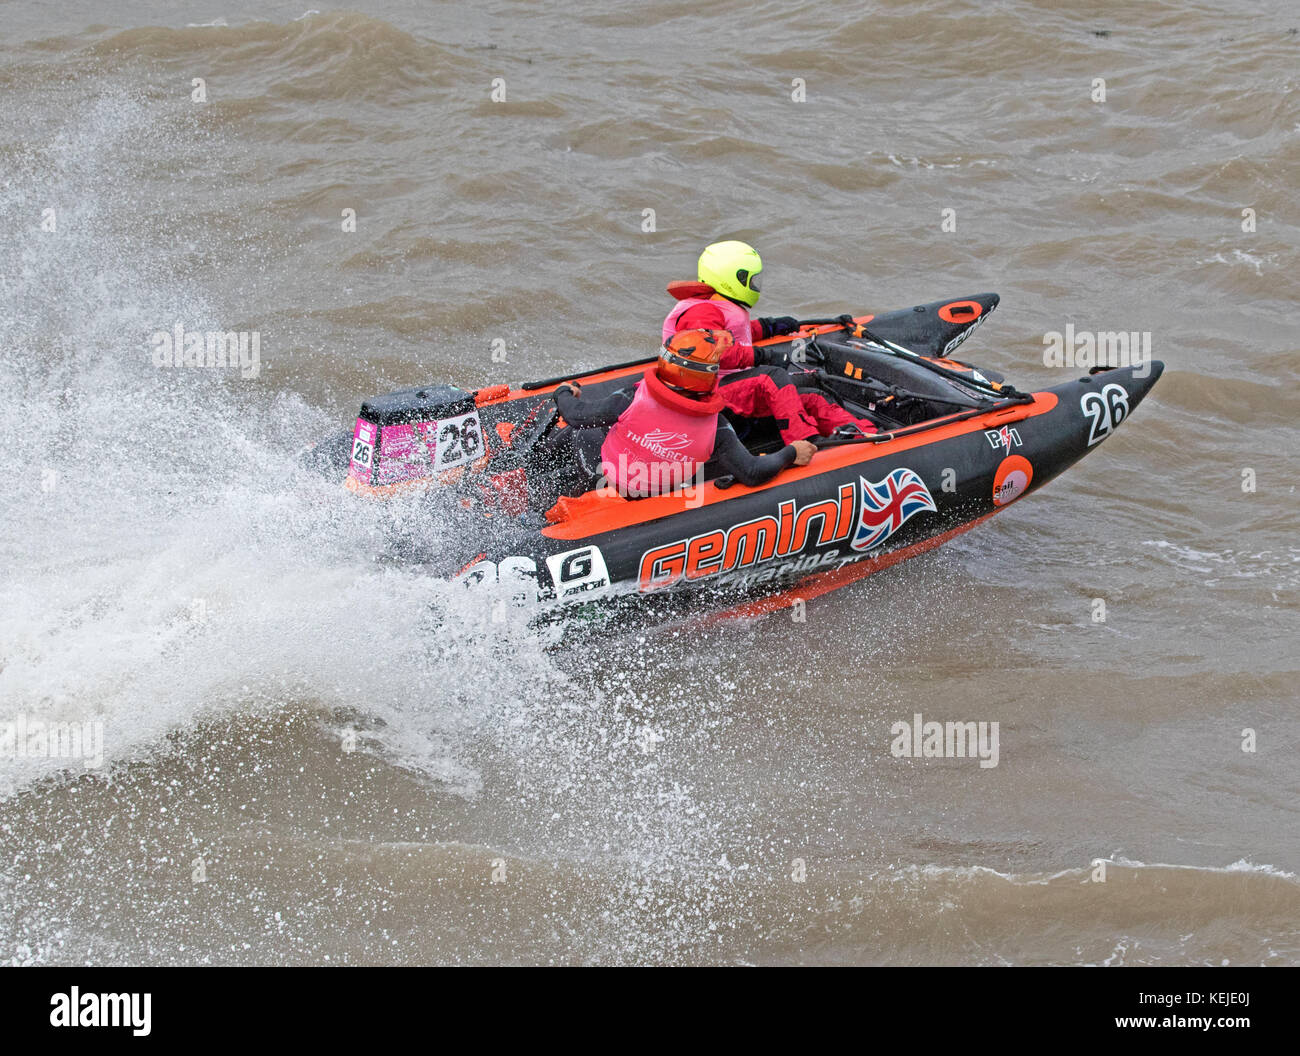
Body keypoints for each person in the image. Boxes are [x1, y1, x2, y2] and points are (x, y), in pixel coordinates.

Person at [552, 330, 816, 499]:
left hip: (603, 475)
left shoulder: (631, 398)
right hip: (650, 496)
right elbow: (751, 472)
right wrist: (791, 453)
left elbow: (576, 416)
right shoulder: (717, 427)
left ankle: (535, 477)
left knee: (577, 432)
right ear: (707, 376)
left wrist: (563, 392)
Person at [664, 240, 876, 439]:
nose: (755, 285)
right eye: (750, 279)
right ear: (732, 278)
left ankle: (862, 434)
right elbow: (709, 352)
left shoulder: (714, 305)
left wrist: (769, 327)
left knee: (814, 397)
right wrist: (762, 355)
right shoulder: (700, 311)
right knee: (772, 377)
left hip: (730, 386)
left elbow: (733, 335)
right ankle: (803, 441)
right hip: (710, 393)